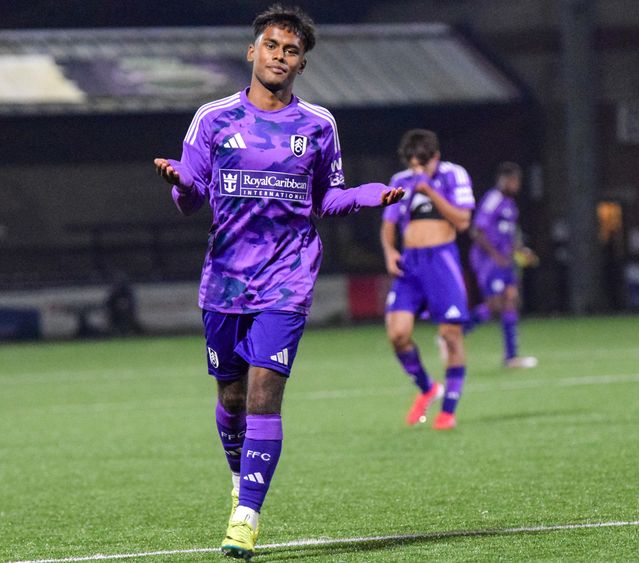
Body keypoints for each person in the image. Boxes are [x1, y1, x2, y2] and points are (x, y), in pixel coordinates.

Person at [152, 5, 404, 559]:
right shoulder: (213, 118)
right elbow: (191, 199)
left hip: (288, 276)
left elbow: (327, 199)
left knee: (265, 395)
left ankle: (246, 515)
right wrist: (181, 183)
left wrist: (367, 195)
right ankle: (240, 479)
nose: (279, 57)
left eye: (290, 51)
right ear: (253, 52)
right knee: (232, 395)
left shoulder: (318, 125)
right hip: (224, 279)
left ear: (301, 64)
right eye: (272, 46)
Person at [381, 129, 475, 431]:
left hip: (441, 261)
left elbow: (462, 221)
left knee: (450, 334)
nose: (417, 170)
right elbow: (389, 222)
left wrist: (430, 190)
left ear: (436, 156)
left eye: (424, 164)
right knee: (397, 334)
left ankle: (448, 411)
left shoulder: (453, 175)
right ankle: (428, 388)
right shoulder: (400, 180)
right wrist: (389, 250)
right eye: (413, 165)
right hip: (411, 264)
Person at [469, 161, 539, 368]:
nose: (518, 185)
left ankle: (511, 357)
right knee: (494, 305)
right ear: (507, 180)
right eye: (516, 181)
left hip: (505, 260)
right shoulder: (493, 199)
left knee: (510, 300)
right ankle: (454, 333)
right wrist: (494, 255)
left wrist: (521, 251)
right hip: (489, 261)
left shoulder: (509, 204)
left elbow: (509, 235)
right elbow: (477, 231)